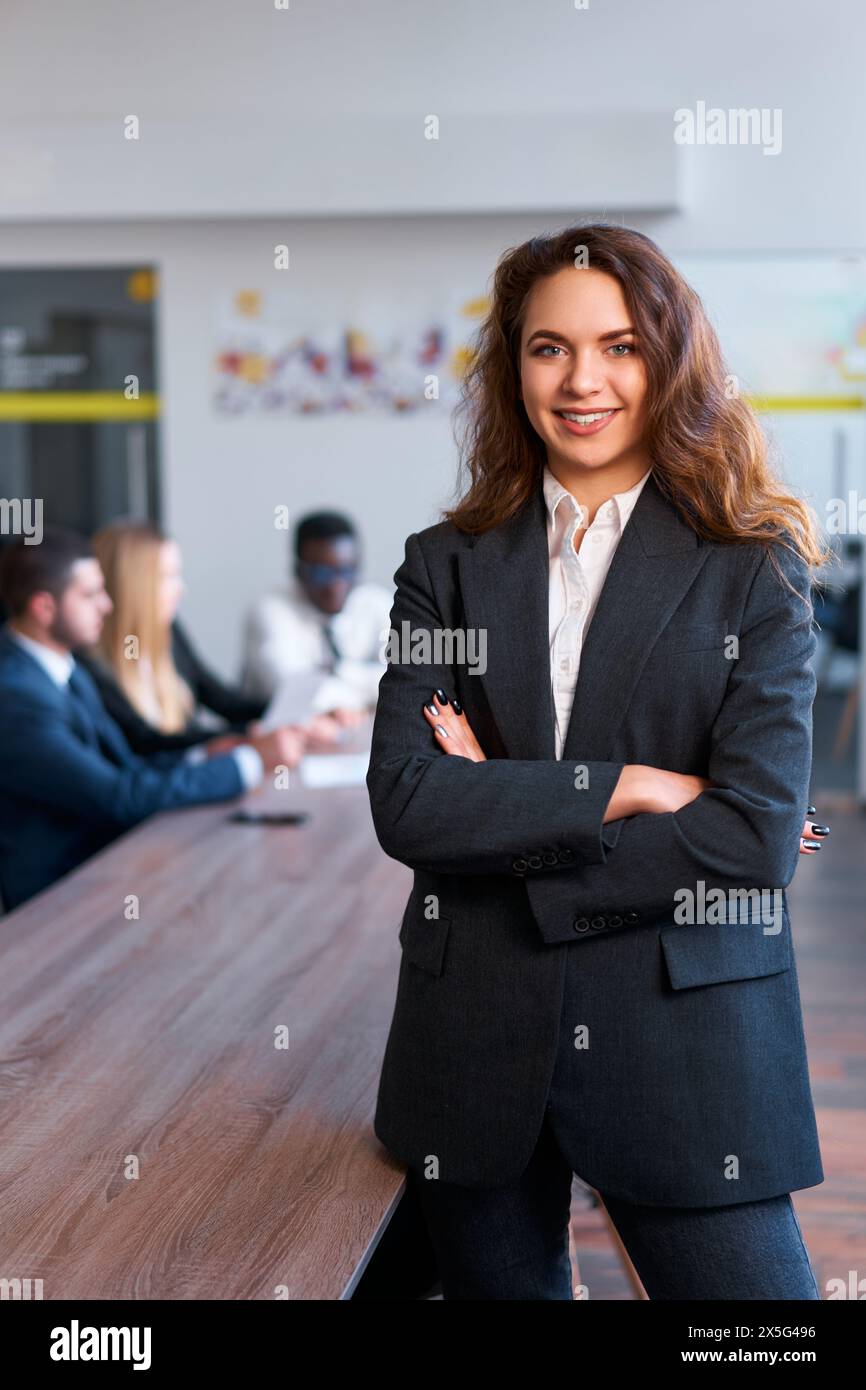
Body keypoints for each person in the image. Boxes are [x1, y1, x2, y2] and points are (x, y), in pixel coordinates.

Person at [366, 223, 833, 1301]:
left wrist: (499, 796)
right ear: (512, 368)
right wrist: (628, 785)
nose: (582, 380)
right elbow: (406, 802)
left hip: (687, 1037)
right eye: (547, 348)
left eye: (619, 345)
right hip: (472, 1037)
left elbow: (758, 834)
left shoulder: (753, 568)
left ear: (667, 362)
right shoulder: (442, 568)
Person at [0, 528, 303, 911]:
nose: (107, 606)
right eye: (91, 594)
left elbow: (127, 764)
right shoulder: (17, 695)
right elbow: (117, 795)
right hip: (58, 902)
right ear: (44, 608)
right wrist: (248, 763)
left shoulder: (60, 665)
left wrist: (206, 755)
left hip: (108, 870)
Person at [78, 520, 336, 756]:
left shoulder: (168, 631)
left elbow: (220, 698)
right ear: (133, 587)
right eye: (167, 577)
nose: (181, 590)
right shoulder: (90, 669)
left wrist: (298, 717)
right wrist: (249, 736)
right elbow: (150, 743)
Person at [242, 510, 393, 721]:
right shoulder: (270, 610)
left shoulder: (376, 603)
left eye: (347, 570)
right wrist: (365, 695)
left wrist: (342, 672)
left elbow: (405, 677)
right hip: (279, 736)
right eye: (323, 573)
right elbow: (289, 691)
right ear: (298, 570)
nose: (337, 585)